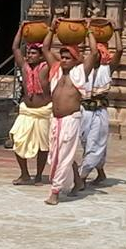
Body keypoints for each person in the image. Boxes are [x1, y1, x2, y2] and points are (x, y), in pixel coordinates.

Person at [41, 18, 99, 205]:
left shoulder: (80, 72)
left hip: (71, 120)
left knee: (63, 155)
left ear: (75, 60)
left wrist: (89, 30)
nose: (63, 60)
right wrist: (52, 28)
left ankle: (55, 192)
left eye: (67, 58)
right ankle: (78, 181)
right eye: (62, 57)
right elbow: (45, 49)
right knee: (58, 154)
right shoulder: (56, 71)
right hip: (55, 119)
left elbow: (94, 52)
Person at [78, 25, 122, 189]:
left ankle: (82, 177)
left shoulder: (107, 69)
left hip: (99, 111)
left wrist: (116, 31)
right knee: (86, 142)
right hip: (84, 111)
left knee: (94, 143)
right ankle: (101, 173)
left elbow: (119, 50)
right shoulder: (83, 69)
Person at [8, 25, 53, 185]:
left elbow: (48, 49)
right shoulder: (25, 67)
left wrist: (51, 31)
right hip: (26, 111)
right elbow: (15, 47)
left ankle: (39, 175)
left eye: (33, 53)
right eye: (28, 52)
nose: (29, 55)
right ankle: (24, 174)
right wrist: (20, 28)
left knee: (43, 145)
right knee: (17, 139)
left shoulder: (47, 67)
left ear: (41, 56)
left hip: (43, 112)